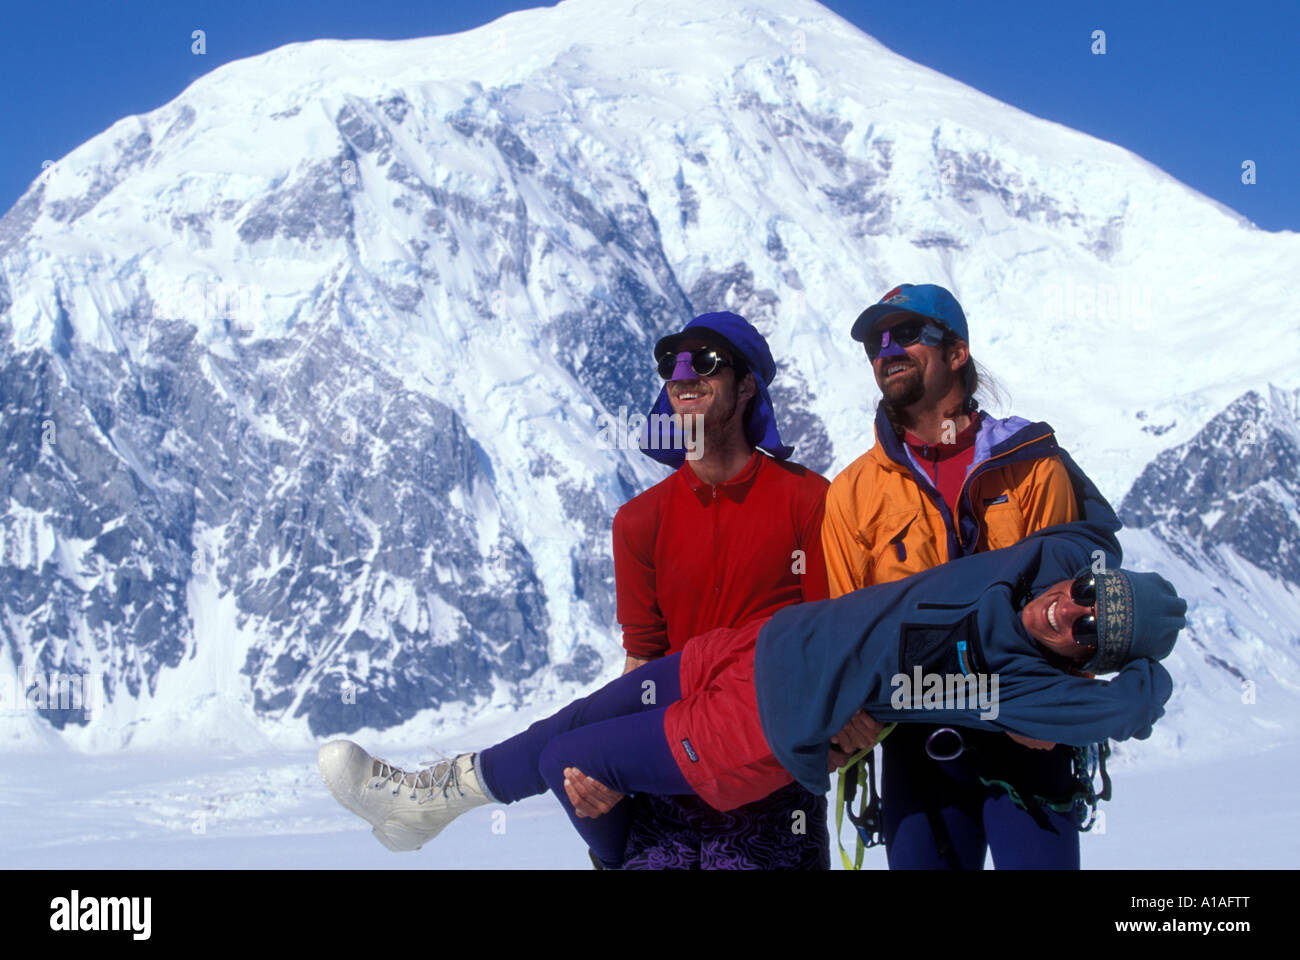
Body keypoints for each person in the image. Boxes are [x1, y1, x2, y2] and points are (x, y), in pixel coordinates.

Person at [317, 510, 1186, 869]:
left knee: (570, 761)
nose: (1068, 612)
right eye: (1087, 597)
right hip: (754, 646)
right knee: (575, 720)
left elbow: (1132, 705)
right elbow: (1091, 535)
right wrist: (1125, 598)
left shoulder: (1025, 686)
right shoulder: (1045, 564)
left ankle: (614, 853)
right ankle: (428, 801)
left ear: (1087, 662)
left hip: (765, 726)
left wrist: (1132, 664)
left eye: (1089, 632)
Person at [822, 282, 1102, 869]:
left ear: (956, 352)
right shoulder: (852, 493)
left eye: (906, 334)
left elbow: (1070, 604)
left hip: (1027, 729)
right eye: (876, 343)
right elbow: (847, 629)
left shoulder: (1032, 466)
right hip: (915, 738)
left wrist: (1055, 706)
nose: (887, 350)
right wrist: (849, 715)